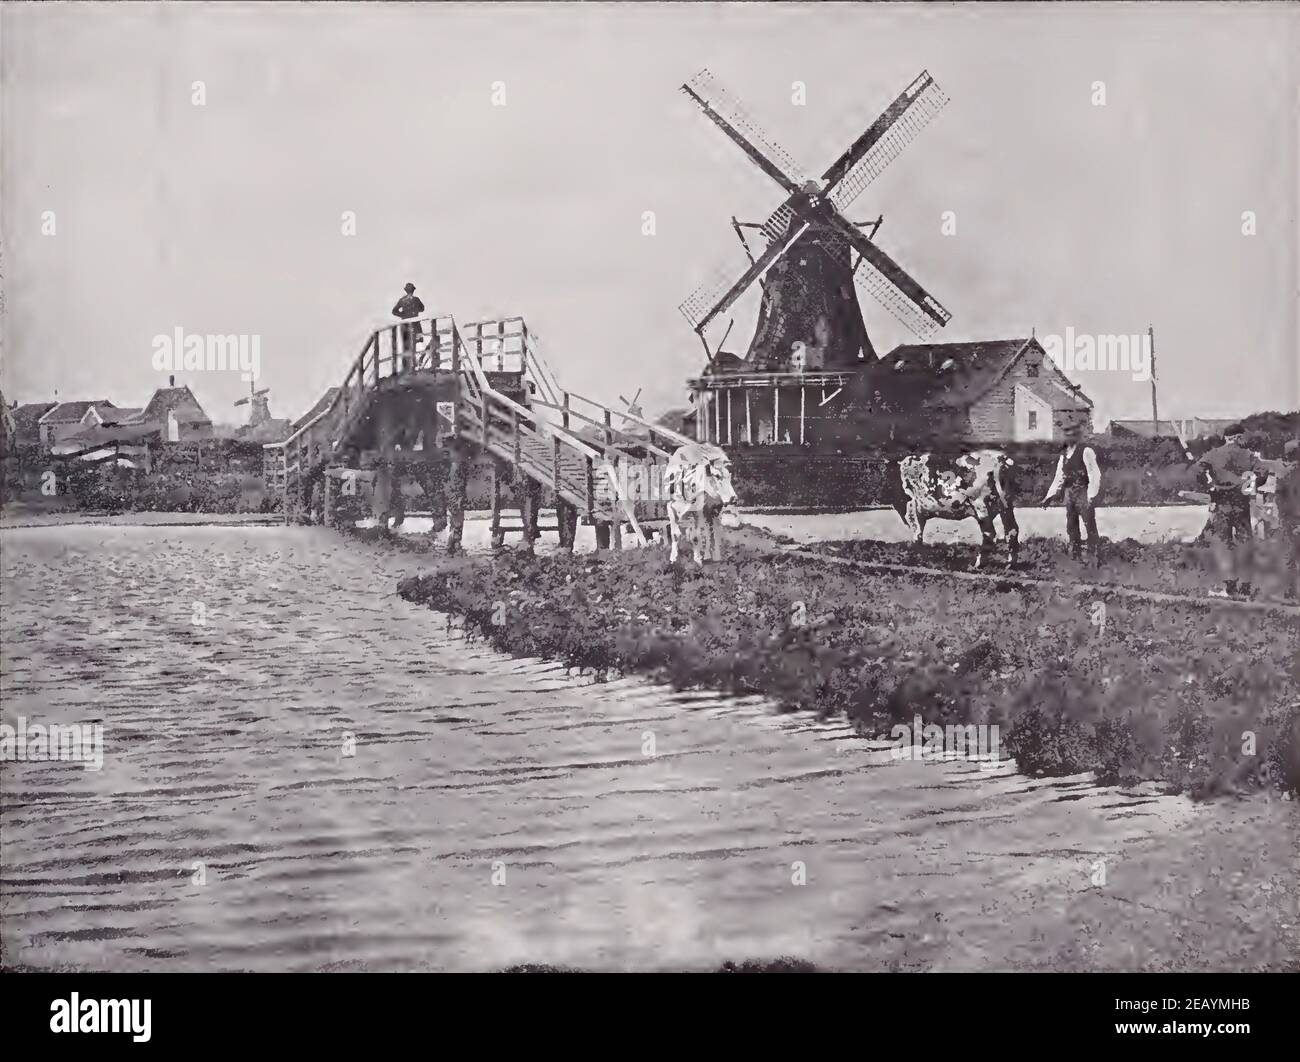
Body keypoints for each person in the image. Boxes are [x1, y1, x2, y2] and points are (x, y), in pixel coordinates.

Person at [1196, 423, 1275, 598]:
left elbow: (1197, 471)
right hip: (1241, 504)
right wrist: (1249, 487)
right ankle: (1245, 585)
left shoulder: (1213, 454)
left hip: (1221, 503)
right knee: (1244, 543)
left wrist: (1209, 486)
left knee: (1223, 544)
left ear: (1226, 438)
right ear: (1238, 437)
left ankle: (1227, 585)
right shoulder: (1248, 455)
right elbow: (1263, 472)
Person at [1042, 421, 1102, 564]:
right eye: (1066, 434)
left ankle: (1094, 557)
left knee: (1089, 525)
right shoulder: (1064, 455)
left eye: (1072, 434)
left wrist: (1091, 495)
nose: (1068, 437)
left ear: (1077, 435)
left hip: (1083, 491)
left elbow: (1094, 474)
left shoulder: (1086, 451)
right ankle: (1076, 556)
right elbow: (1059, 476)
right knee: (1071, 526)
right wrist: (1049, 496)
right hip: (1070, 494)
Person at [391, 282, 425, 367]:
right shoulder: (416, 299)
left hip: (406, 324)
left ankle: (408, 365)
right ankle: (416, 363)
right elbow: (422, 309)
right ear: (413, 290)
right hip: (415, 323)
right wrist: (415, 310)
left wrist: (403, 315)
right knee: (418, 342)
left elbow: (394, 311)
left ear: (406, 291)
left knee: (407, 344)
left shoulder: (402, 300)